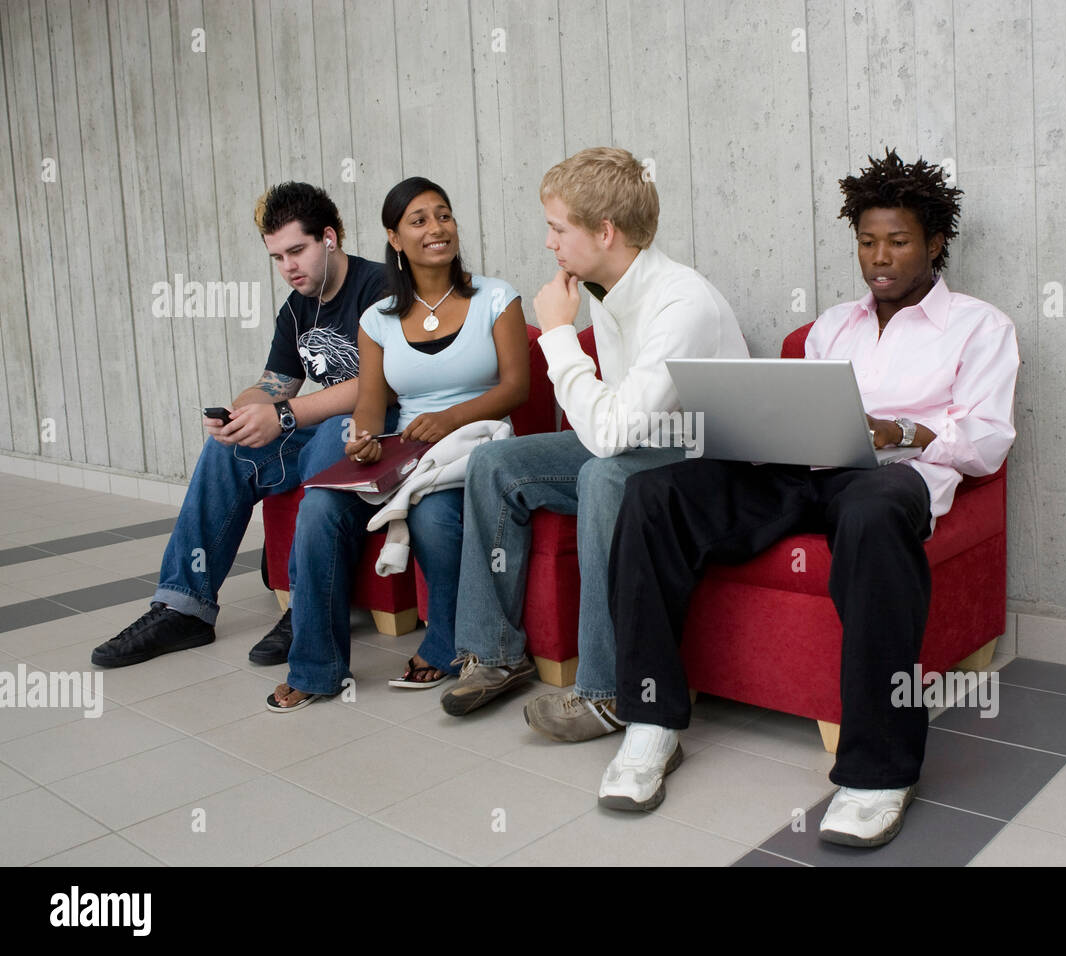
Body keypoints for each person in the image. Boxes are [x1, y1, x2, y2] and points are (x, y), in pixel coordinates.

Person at [598, 149, 1020, 848]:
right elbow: (798, 407)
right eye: (867, 241)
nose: (879, 257)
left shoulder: (982, 327)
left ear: (936, 243)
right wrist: (755, 426)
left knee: (873, 511)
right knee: (652, 495)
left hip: (892, 478)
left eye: (898, 240)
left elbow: (986, 441)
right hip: (801, 468)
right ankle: (651, 722)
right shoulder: (833, 326)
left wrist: (904, 430)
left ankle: (878, 771)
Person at [439, 146, 749, 740]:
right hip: (644, 438)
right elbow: (608, 423)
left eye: (558, 229)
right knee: (495, 462)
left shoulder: (679, 303)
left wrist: (557, 332)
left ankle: (608, 694)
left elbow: (607, 438)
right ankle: (496, 652)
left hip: (706, 457)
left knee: (603, 475)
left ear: (605, 231)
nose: (550, 244)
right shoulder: (606, 293)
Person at [91, 183, 386, 669]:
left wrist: (284, 415)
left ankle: (305, 608)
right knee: (226, 450)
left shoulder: (378, 286)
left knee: (325, 444)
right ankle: (183, 607)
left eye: (297, 250)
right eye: (277, 257)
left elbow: (378, 384)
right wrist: (242, 413)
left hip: (375, 431)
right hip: (319, 425)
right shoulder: (295, 309)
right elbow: (275, 384)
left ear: (329, 238)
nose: (288, 267)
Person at [267, 177, 529, 711]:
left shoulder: (496, 298)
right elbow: (371, 398)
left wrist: (450, 417)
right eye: (419, 220)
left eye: (444, 215)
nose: (437, 228)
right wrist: (364, 439)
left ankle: (446, 648)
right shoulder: (377, 318)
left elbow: (514, 388)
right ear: (394, 237)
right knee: (318, 505)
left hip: (472, 448)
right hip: (404, 448)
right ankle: (316, 666)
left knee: (435, 518)